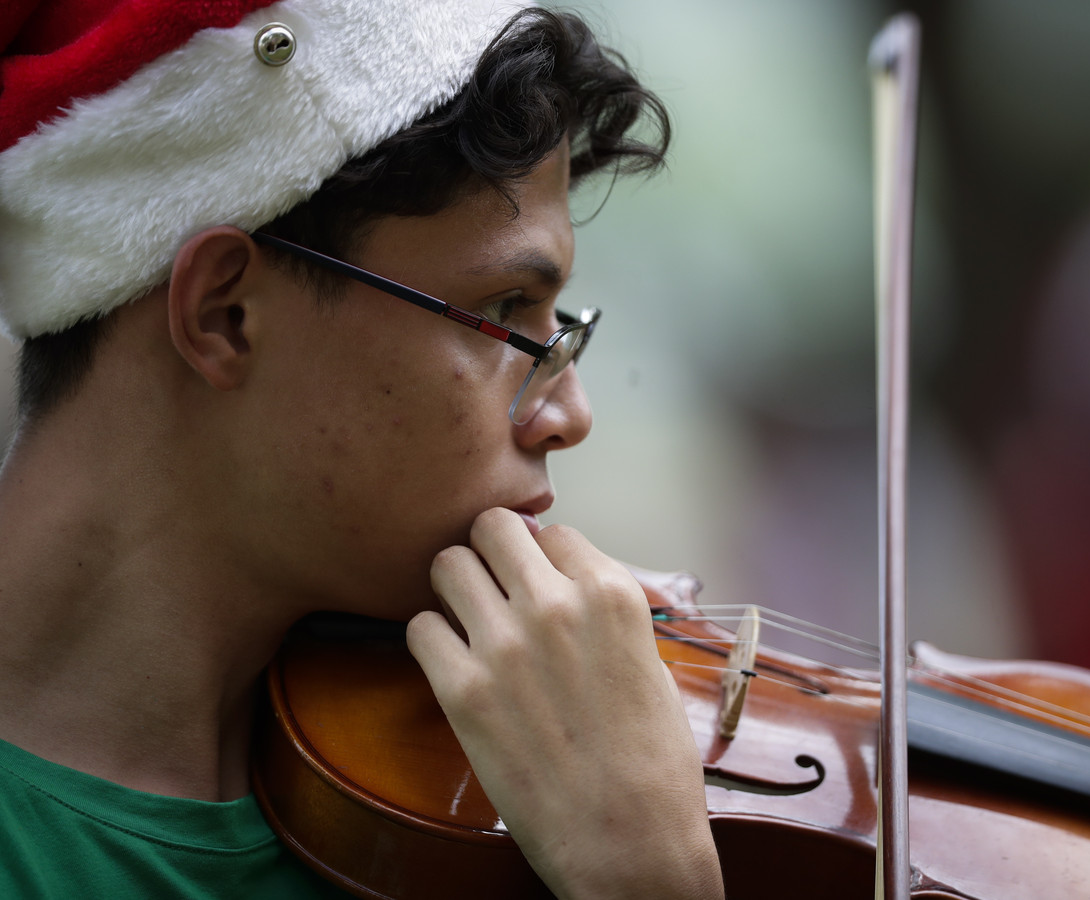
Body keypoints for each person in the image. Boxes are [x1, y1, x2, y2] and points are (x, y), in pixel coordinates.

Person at [0, 1, 724, 897]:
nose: (569, 414)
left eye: (555, 323)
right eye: (504, 313)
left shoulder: (538, 787)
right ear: (226, 315)